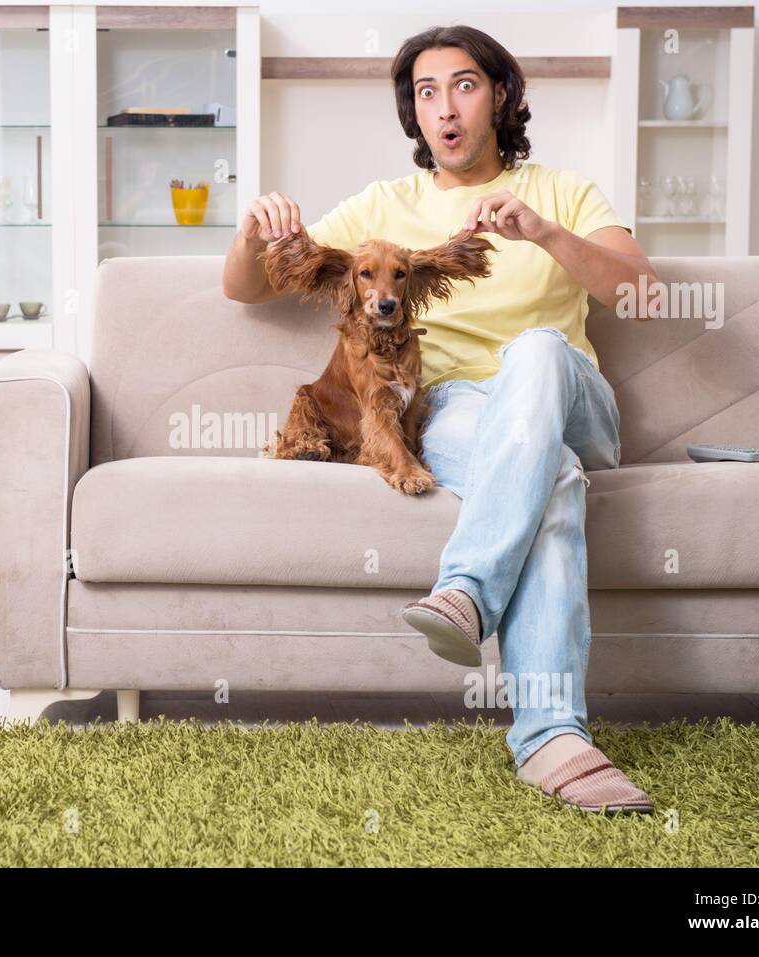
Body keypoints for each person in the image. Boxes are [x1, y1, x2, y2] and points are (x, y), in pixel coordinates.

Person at [223, 25, 663, 812]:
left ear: (498, 95)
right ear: (415, 115)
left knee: (534, 351)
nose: (445, 107)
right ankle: (553, 739)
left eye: (463, 85)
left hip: (569, 396)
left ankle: (466, 588)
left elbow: (642, 291)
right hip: (458, 410)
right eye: (426, 93)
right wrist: (251, 227)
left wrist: (545, 232)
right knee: (550, 479)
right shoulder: (383, 209)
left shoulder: (561, 189)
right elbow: (247, 290)